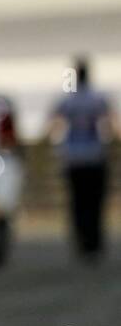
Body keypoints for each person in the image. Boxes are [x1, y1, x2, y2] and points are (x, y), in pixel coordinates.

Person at [48, 57, 116, 260]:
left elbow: (54, 126)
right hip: (94, 156)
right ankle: (94, 244)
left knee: (77, 203)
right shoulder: (98, 98)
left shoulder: (67, 99)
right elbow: (111, 126)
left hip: (74, 158)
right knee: (95, 203)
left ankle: (81, 242)